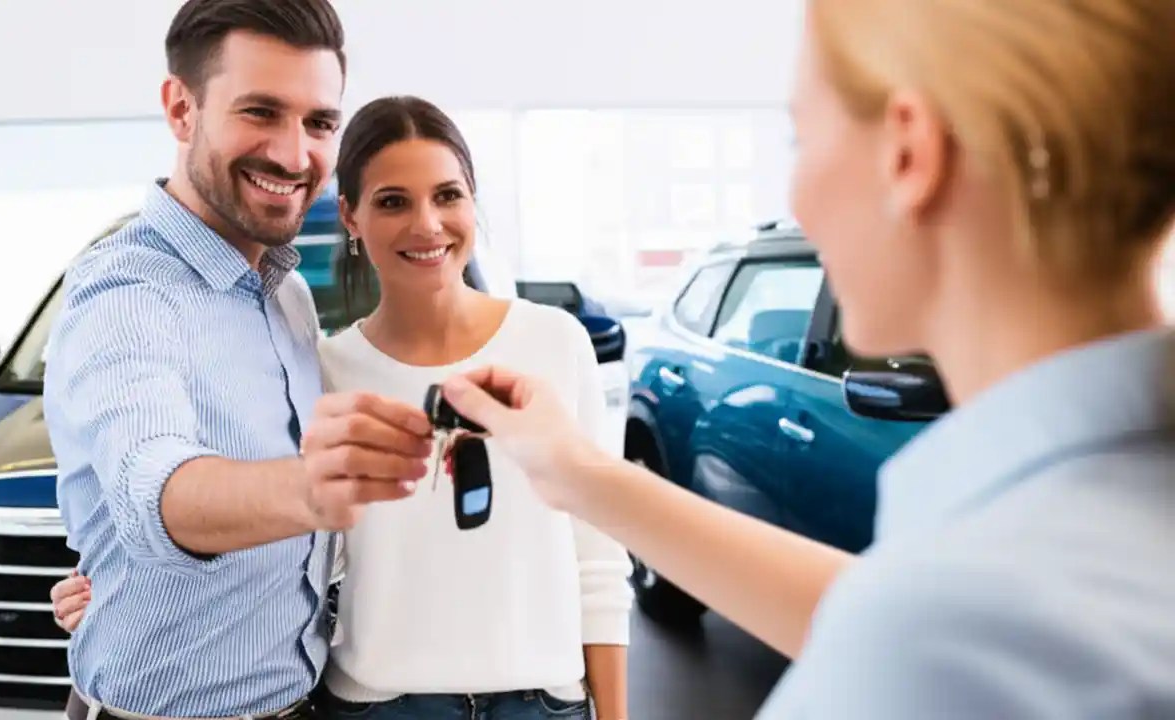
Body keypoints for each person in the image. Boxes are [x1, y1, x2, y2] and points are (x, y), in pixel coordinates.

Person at [434, 1, 1175, 717]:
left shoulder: (947, 638)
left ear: (908, 154)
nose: (800, 198)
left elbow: (917, 632)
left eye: (801, 137)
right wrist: (579, 473)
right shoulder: (1051, 576)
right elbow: (878, 608)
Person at [54, 95, 633, 720]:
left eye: (447, 195)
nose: (427, 225)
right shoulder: (325, 367)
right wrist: (118, 592)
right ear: (351, 218)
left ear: (473, 201)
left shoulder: (554, 343)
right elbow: (295, 543)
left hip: (544, 705)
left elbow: (597, 556)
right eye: (392, 202)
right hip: (375, 705)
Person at [42, 1, 433, 718]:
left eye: (319, 122)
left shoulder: (283, 294)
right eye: (260, 112)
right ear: (181, 108)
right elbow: (154, 485)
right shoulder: (127, 294)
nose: (295, 155)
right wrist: (319, 491)